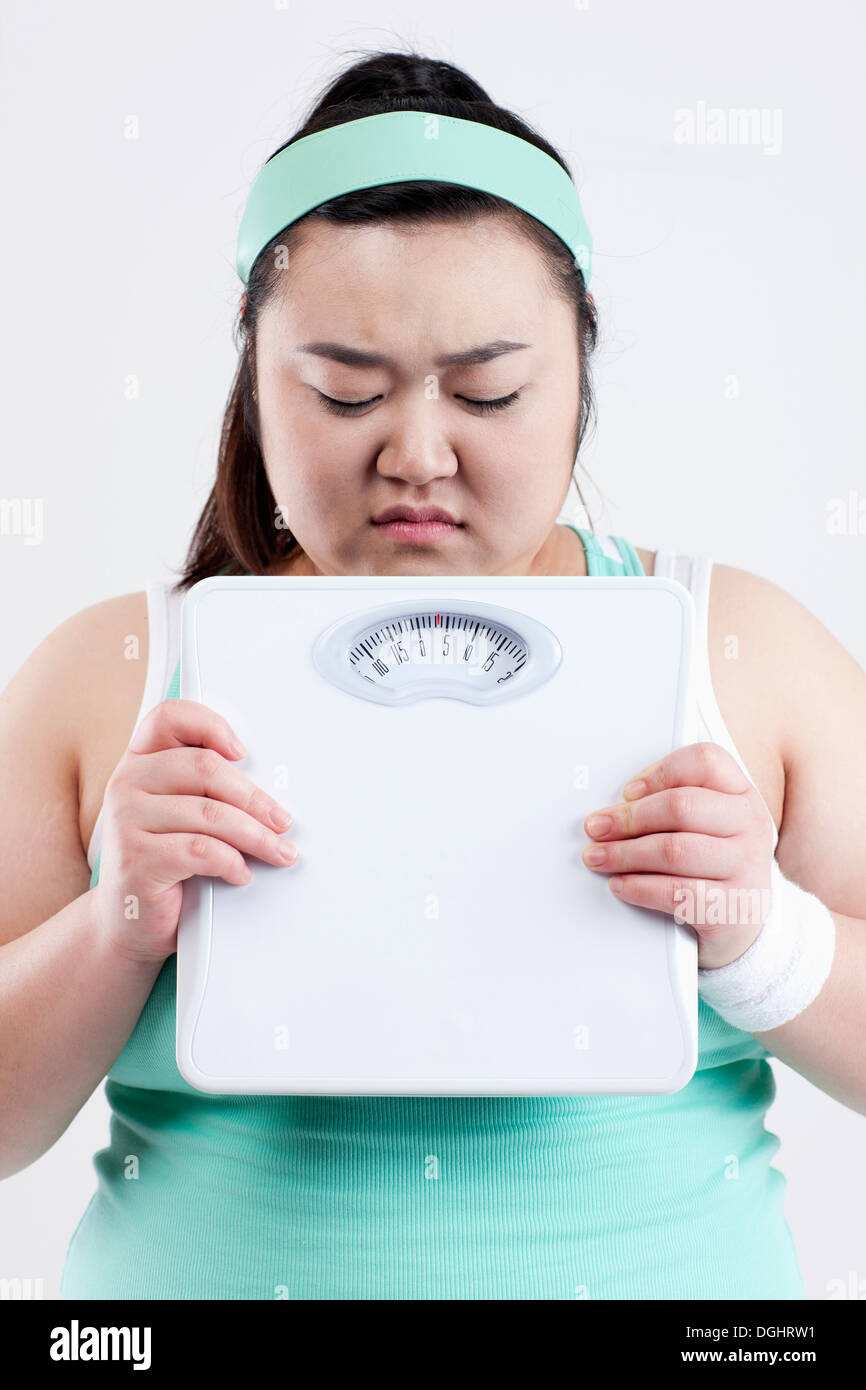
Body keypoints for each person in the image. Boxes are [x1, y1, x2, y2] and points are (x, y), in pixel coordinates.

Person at [1, 48, 864, 1301]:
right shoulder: (109, 673)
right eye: (344, 391)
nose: (417, 452)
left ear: (579, 377)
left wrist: (757, 934)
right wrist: (116, 923)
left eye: (489, 390)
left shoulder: (745, 649)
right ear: (254, 379)